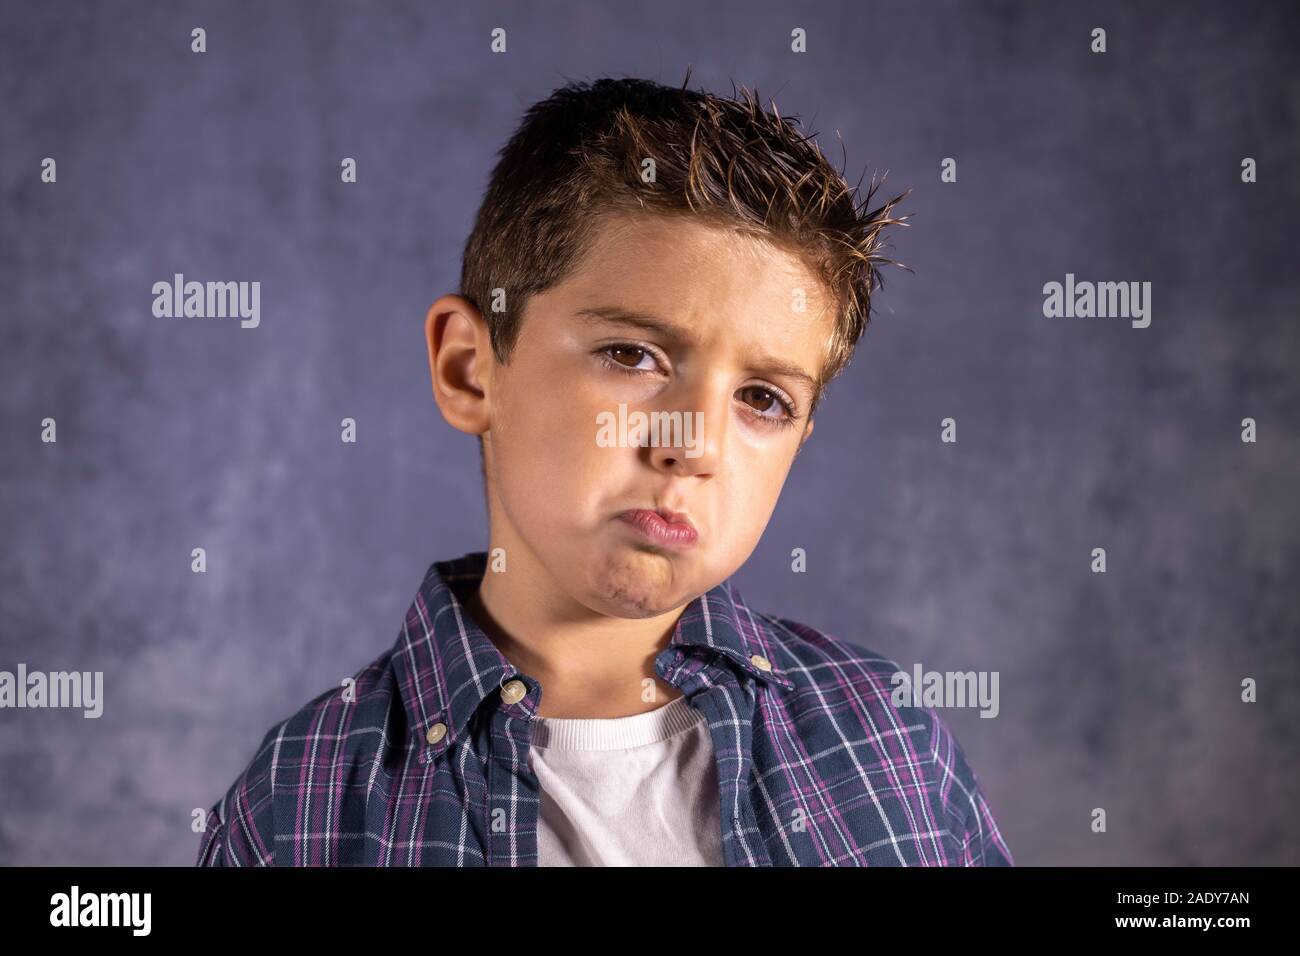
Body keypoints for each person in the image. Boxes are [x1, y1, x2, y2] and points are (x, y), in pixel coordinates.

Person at [197, 74, 1013, 867]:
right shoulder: (302, 808)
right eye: (632, 355)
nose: (693, 444)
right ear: (470, 369)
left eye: (762, 399)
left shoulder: (884, 736)